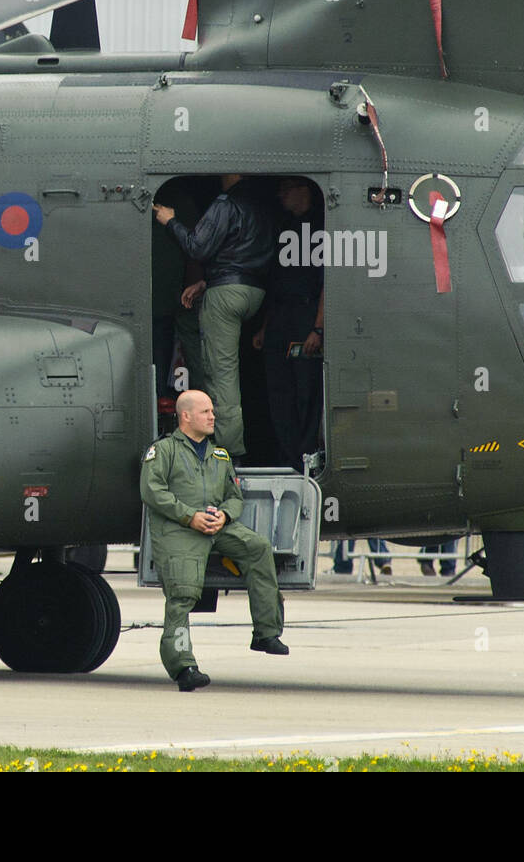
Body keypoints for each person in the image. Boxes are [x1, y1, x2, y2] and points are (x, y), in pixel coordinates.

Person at [139, 390, 287, 691]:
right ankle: (183, 667)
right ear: (186, 416)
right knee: (182, 593)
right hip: (179, 529)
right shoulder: (163, 451)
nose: (212, 417)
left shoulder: (219, 455)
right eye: (205, 412)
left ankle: (266, 633)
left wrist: (224, 516)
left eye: (212, 411)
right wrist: (189, 516)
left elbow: (234, 496)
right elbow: (152, 491)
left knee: (257, 547)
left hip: (215, 526)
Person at [154, 175, 274, 458]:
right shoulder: (260, 205)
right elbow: (243, 256)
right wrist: (206, 282)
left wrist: (170, 221)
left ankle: (228, 452)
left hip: (226, 295)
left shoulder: (226, 203)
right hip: (253, 291)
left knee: (221, 377)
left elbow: (197, 247)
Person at [252, 176, 324, 472]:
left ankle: (306, 456)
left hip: (305, 315)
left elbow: (327, 283)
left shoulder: (322, 227)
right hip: (280, 318)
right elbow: (277, 283)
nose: (281, 197)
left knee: (305, 389)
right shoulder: (284, 228)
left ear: (302, 190)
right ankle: (287, 458)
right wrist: (265, 326)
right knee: (279, 391)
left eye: (285, 191)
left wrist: (317, 328)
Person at [150, 182, 205, 410]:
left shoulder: (182, 205)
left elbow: (194, 249)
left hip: (176, 295)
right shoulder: (183, 205)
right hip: (169, 296)